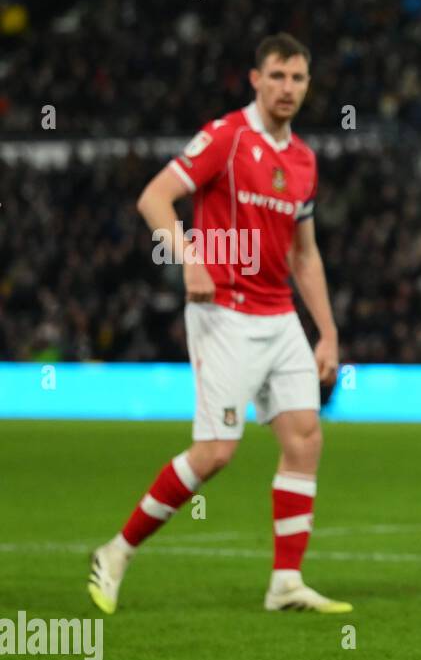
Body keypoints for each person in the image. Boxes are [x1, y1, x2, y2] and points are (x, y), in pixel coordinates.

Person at [87, 33, 351, 615]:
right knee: (215, 453)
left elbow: (305, 255)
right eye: (277, 76)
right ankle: (116, 551)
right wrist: (188, 257)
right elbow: (154, 197)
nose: (288, 88)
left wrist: (326, 331)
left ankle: (285, 582)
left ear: (309, 86)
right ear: (255, 79)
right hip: (222, 313)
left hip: (279, 314)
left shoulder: (303, 159)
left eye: (298, 78)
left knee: (305, 437)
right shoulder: (227, 137)